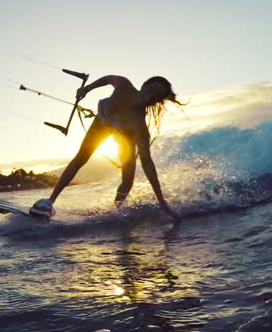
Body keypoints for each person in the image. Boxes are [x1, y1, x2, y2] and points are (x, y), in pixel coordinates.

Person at [29, 75, 183, 222]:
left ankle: (115, 211)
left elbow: (147, 163)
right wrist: (87, 88)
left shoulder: (140, 126)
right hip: (102, 122)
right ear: (144, 86)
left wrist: (161, 200)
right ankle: (49, 201)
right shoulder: (124, 85)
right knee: (81, 157)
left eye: (156, 97)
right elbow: (109, 78)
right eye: (151, 90)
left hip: (125, 135)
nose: (151, 96)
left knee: (128, 178)